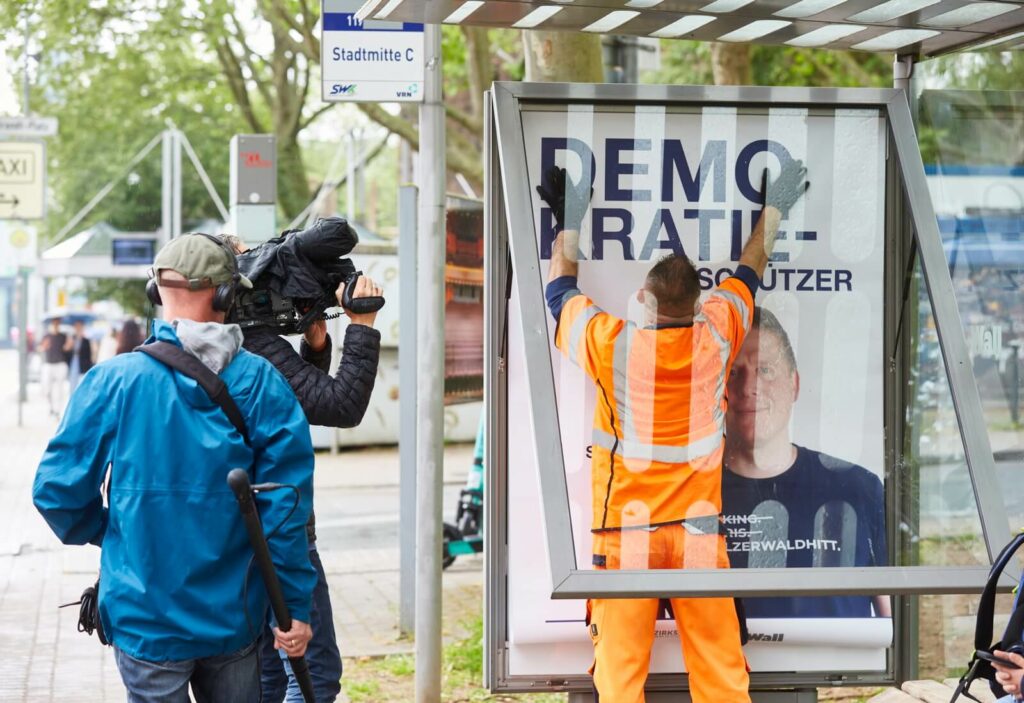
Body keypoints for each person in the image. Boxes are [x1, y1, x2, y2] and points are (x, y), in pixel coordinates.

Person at [538, 160, 809, 703]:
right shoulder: (720, 331)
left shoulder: (612, 343)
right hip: (698, 538)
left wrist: (568, 218)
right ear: (697, 301)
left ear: (645, 298)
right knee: (721, 674)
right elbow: (751, 268)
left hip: (626, 536)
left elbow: (559, 291)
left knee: (619, 676)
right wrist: (775, 206)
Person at [32, 233, 318, 702]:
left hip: (144, 617)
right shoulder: (263, 383)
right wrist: (294, 609)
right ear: (229, 294)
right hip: (234, 616)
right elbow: (286, 512)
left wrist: (113, 531)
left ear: (156, 292)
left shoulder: (113, 380)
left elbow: (55, 494)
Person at [224, 232, 382, 703]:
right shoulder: (250, 345)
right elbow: (341, 405)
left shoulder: (215, 345)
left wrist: (316, 347)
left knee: (270, 674)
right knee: (312, 672)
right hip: (277, 534)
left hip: (231, 536)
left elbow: (288, 404)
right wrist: (363, 324)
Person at [721, 307, 890, 618]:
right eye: (732, 371)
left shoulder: (858, 488)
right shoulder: (688, 495)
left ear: (794, 384)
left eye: (766, 370)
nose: (748, 388)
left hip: (837, 668)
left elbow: (896, 622)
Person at [38, 318, 68, 417]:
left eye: (57, 323)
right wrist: (44, 347)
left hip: (60, 364)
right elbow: (39, 348)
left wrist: (69, 345)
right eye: (54, 323)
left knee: (59, 389)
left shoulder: (63, 336)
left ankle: (58, 410)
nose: (56, 325)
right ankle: (51, 407)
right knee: (47, 389)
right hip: (48, 364)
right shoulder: (46, 336)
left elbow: (67, 349)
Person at [65, 319, 95, 393]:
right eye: (76, 326)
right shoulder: (71, 339)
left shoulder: (86, 340)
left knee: (82, 383)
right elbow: (66, 352)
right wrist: (69, 346)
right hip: (73, 363)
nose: (78, 328)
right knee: (73, 382)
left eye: (80, 326)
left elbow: (89, 354)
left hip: (83, 364)